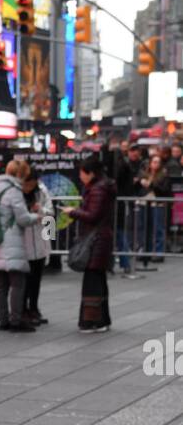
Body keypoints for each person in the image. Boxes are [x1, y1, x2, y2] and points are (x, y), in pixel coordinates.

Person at [0, 158, 41, 332]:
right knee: (17, 282)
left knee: (1, 284)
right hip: (11, 240)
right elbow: (23, 219)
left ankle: (3, 320)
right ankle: (16, 320)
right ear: (20, 174)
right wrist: (37, 216)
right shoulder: (13, 191)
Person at [69, 153, 116, 331]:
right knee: (99, 279)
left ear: (91, 173)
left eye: (82, 172)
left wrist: (73, 212)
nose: (80, 176)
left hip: (96, 239)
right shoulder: (103, 187)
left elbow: (93, 215)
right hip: (100, 238)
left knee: (93, 281)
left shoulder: (97, 189)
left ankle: (92, 320)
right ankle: (102, 319)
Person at [21, 165, 52, 324]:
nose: (29, 187)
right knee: (24, 279)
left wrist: (41, 210)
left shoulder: (42, 191)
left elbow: (51, 213)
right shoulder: (16, 193)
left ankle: (34, 308)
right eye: (27, 184)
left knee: (36, 278)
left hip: (39, 240)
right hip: (23, 242)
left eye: (32, 184)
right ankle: (23, 309)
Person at [113, 142, 144, 278]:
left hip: (121, 203)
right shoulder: (126, 166)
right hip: (122, 203)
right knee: (120, 234)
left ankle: (124, 263)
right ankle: (124, 263)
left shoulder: (124, 167)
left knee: (120, 234)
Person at [137, 151, 172, 266]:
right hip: (144, 202)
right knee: (145, 228)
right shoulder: (144, 174)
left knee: (158, 229)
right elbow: (138, 189)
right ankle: (145, 250)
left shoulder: (164, 175)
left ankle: (158, 252)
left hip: (158, 203)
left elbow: (164, 190)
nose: (155, 164)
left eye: (158, 162)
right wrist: (139, 183)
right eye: (153, 162)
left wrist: (151, 185)